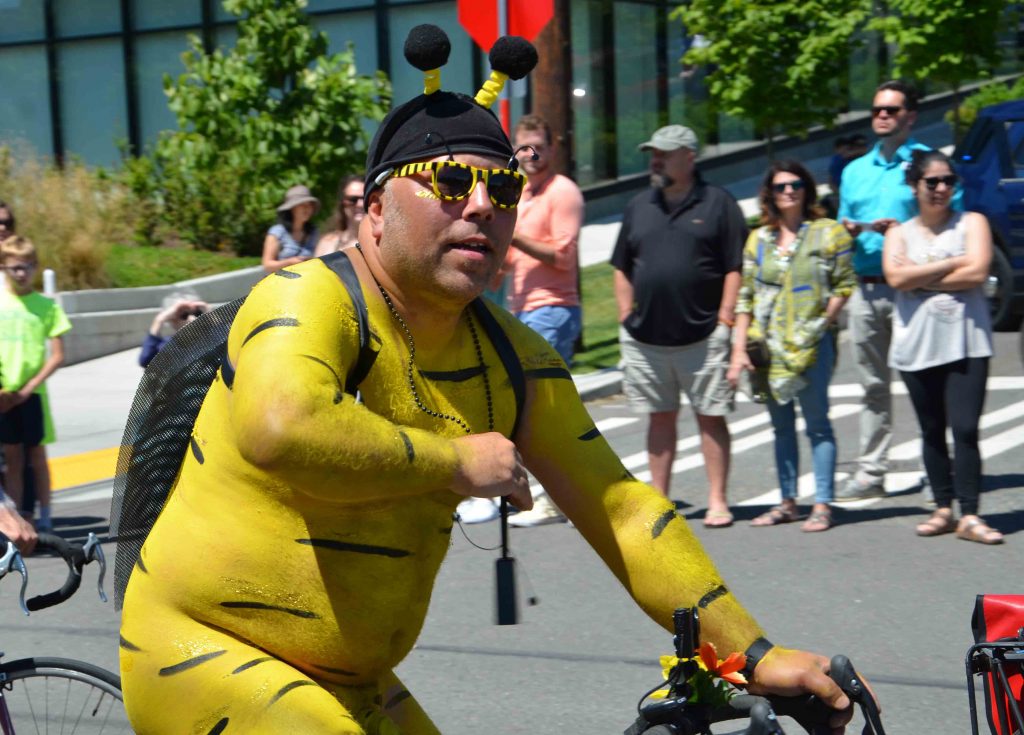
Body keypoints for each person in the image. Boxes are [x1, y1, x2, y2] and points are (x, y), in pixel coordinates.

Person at [118, 25, 857, 734]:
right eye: (446, 181)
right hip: (206, 647)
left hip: (353, 679)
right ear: (374, 210)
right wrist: (458, 460)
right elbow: (281, 427)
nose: (480, 205)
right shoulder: (306, 297)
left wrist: (753, 654)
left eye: (504, 190)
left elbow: (623, 510)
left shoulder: (513, 356)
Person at [610, 124, 745, 528]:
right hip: (646, 338)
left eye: (665, 153)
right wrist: (624, 315)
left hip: (703, 335)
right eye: (653, 152)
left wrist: (725, 318)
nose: (656, 160)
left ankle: (718, 500)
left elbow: (735, 266)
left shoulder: (719, 203)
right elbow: (621, 266)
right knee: (659, 417)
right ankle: (660, 500)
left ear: (689, 156)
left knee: (710, 416)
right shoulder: (639, 205)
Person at [835, 81, 961, 504]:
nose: (882, 116)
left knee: (928, 383)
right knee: (872, 386)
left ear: (911, 116)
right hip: (866, 290)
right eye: (877, 110)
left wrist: (904, 232)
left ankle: (939, 473)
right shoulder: (854, 171)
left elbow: (950, 219)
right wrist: (849, 230)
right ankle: (871, 470)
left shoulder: (930, 165)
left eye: (891, 110)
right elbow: (840, 227)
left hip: (916, 289)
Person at [727, 161, 855, 533]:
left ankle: (822, 503)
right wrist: (739, 350)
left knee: (818, 425)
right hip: (768, 350)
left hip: (812, 347)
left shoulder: (828, 233)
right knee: (781, 428)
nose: (789, 191)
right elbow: (745, 298)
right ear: (769, 194)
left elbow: (844, 284)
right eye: (781, 186)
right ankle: (787, 502)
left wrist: (819, 324)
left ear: (808, 190)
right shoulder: (759, 239)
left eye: (796, 185)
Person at [883, 150, 1001, 544]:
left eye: (948, 180)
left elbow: (979, 270)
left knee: (965, 429)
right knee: (931, 429)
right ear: (914, 186)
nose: (941, 189)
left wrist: (918, 276)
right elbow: (895, 279)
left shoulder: (972, 223)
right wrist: (950, 266)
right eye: (931, 182)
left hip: (966, 342)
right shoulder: (899, 233)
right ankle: (942, 508)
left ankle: (970, 514)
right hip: (917, 344)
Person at [496, 113, 585, 528]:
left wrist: (512, 235)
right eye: (524, 147)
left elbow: (562, 255)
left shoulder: (562, 192)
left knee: (536, 407)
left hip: (554, 308)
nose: (531, 155)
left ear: (552, 148)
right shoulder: (522, 195)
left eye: (538, 147)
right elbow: (510, 260)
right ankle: (519, 493)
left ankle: (550, 500)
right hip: (522, 310)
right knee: (518, 405)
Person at [0, 236, 71, 534]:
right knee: (13, 458)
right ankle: (20, 520)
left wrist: (28, 388)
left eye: (27, 267)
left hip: (32, 394)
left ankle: (45, 515)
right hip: (4, 395)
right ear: (4, 267)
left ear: (36, 267)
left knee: (37, 456)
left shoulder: (46, 306)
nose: (21, 273)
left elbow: (57, 355)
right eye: (15, 268)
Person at [138, 291, 210, 368]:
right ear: (171, 319)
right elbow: (145, 360)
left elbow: (223, 347)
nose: (191, 318)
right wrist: (159, 320)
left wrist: (210, 316)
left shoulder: (210, 337)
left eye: (197, 313)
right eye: (184, 315)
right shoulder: (167, 345)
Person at [262, 185, 320, 272]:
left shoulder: (314, 232)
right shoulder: (277, 232)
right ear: (292, 208)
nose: (307, 209)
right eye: (302, 205)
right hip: (282, 282)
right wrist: (290, 262)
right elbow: (267, 265)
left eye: (309, 205)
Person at [315, 175, 365, 256]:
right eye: (352, 199)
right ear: (342, 203)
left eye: (365, 199)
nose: (360, 204)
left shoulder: (383, 244)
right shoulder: (327, 243)